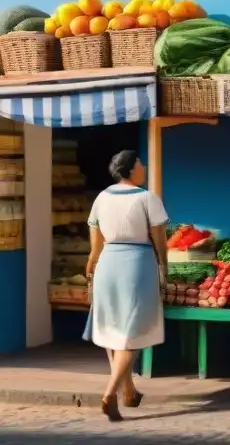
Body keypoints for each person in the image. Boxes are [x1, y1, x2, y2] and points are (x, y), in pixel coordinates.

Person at [83, 150, 168, 422]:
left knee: (113, 329)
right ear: (131, 169)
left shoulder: (101, 198)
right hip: (136, 264)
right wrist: (163, 268)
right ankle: (110, 394)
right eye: (140, 163)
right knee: (132, 332)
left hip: (107, 264)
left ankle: (128, 391)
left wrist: (92, 265)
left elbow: (95, 243)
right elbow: (160, 240)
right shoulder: (147, 198)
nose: (144, 167)